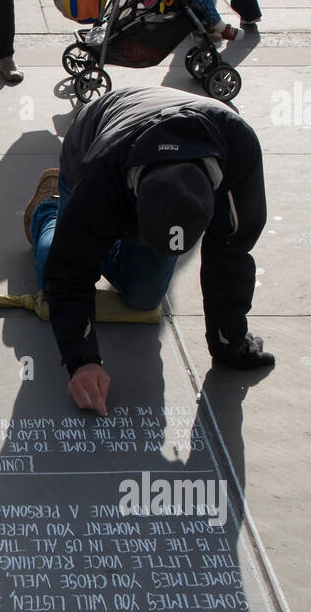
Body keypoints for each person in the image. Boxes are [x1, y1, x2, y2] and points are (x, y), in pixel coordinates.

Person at [22, 87, 274, 415]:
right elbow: (68, 276)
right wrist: (82, 361)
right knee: (56, 267)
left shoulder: (239, 149)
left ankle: (103, 236)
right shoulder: (100, 176)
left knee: (144, 297)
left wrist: (231, 344)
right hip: (95, 138)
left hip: (158, 149)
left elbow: (231, 254)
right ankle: (49, 211)